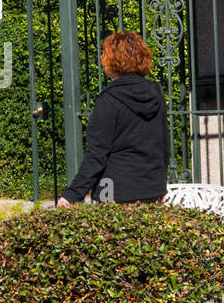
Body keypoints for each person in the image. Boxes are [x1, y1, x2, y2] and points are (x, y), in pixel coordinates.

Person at [57, 30, 169, 207]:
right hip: (152, 191)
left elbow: (97, 155)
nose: (102, 59)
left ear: (112, 59)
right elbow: (163, 145)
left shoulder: (108, 100)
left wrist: (71, 195)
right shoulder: (156, 93)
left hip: (115, 192)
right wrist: (161, 186)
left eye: (104, 53)